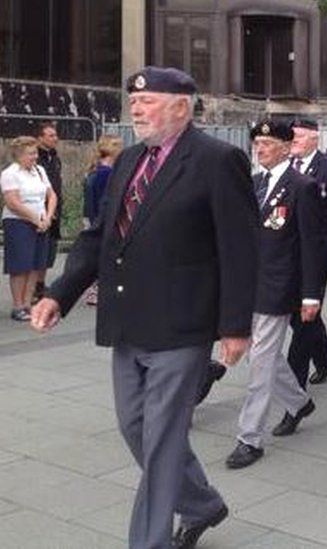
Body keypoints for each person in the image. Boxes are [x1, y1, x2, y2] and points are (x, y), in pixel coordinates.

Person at [31, 66, 258, 549]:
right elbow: (99, 236)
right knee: (134, 427)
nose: (136, 109)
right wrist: (58, 294)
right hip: (128, 321)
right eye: (133, 101)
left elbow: (240, 248)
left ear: (182, 106)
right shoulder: (131, 159)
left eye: (148, 101)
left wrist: (236, 326)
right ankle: (201, 504)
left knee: (160, 442)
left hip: (183, 324)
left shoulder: (218, 160)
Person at [226, 120, 327, 470]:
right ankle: (299, 403)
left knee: (260, 362)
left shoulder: (303, 187)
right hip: (249, 285)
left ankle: (249, 438)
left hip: (279, 287)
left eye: (268, 142)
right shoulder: (254, 184)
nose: (260, 148)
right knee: (262, 353)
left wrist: (311, 295)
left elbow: (312, 245)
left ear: (287, 146)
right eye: (257, 142)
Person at [286, 119, 327, 386]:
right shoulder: (285, 166)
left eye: (299, 137)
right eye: (291, 137)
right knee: (297, 314)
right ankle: (326, 354)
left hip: (317, 256)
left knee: (304, 320)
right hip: (287, 256)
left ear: (314, 138)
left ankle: (295, 393)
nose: (293, 142)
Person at [2, 136, 57, 321]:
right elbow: (13, 202)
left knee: (36, 264)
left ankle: (28, 302)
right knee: (20, 265)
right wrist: (34, 219)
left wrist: (48, 217)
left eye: (35, 153)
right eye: (31, 153)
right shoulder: (11, 173)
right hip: (18, 222)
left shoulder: (39, 171)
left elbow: (51, 195)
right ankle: (18, 306)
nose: (35, 157)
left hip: (41, 221)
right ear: (19, 155)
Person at [81, 134, 124, 306]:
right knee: (102, 254)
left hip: (94, 217)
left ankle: (98, 288)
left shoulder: (96, 170)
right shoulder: (105, 174)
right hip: (100, 218)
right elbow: (102, 200)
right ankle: (95, 289)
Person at [35, 122, 62, 300]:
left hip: (55, 208)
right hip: (40, 209)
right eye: (50, 135)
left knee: (48, 251)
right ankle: (32, 287)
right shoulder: (36, 158)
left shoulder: (55, 157)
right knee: (38, 250)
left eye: (55, 135)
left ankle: (40, 284)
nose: (55, 138)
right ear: (40, 138)